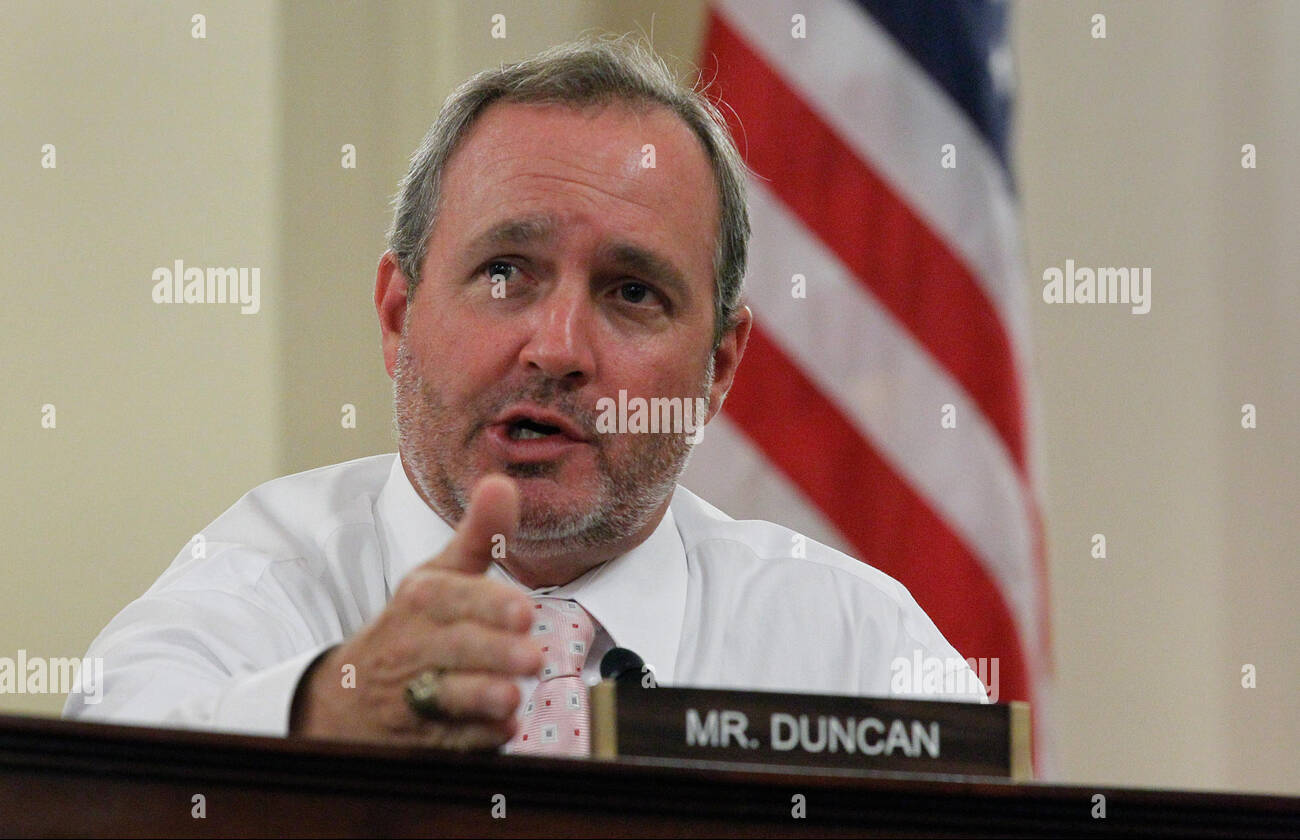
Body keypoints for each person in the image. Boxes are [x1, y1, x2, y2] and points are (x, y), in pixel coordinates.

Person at [64, 37, 987, 753]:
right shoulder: (266, 582)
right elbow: (82, 821)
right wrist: (325, 714)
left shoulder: (853, 643)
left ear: (717, 370)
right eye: (506, 273)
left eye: (632, 291)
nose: (557, 350)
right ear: (396, 316)